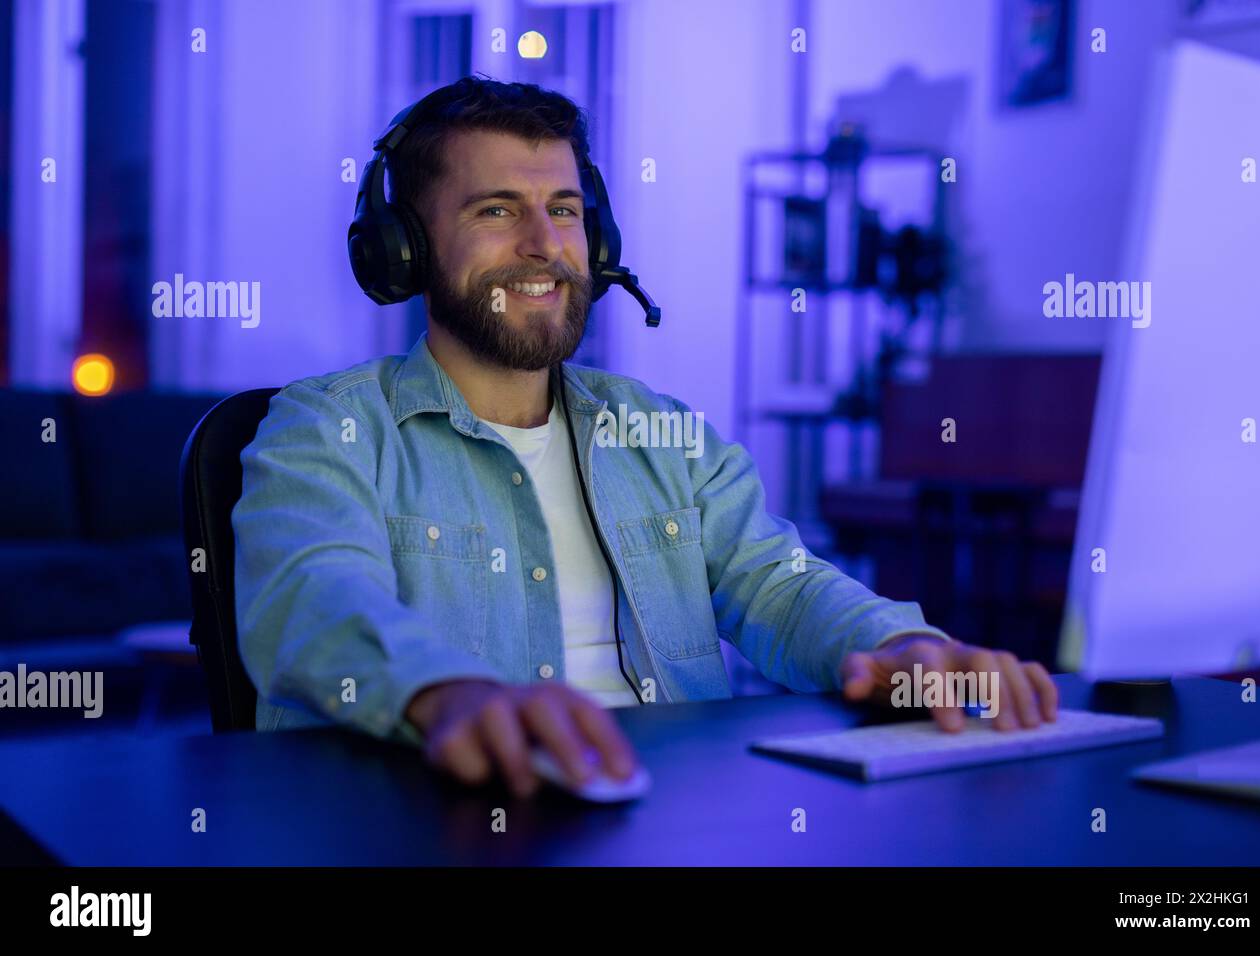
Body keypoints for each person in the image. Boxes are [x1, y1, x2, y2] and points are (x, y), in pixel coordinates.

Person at [232, 76, 1057, 799]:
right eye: (496, 211)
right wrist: (445, 691)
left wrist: (901, 648)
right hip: (433, 829)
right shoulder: (325, 428)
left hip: (678, 820)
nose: (544, 245)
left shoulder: (659, 430)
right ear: (402, 249)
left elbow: (780, 584)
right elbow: (313, 599)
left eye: (563, 211)